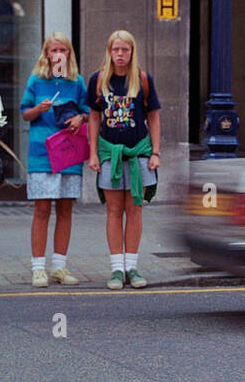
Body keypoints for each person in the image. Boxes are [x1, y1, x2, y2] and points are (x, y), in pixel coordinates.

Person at [87, 30, 160, 290]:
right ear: (109, 51)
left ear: (132, 52)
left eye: (125, 50)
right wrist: (93, 152)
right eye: (115, 49)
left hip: (138, 152)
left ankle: (132, 266)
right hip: (110, 153)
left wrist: (155, 152)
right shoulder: (98, 80)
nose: (120, 54)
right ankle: (117, 269)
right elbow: (94, 117)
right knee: (113, 211)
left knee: (135, 209)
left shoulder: (142, 79)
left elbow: (153, 116)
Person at [20, 32, 90, 287]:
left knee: (65, 209)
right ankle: (38, 267)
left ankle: (59, 266)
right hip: (41, 154)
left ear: (69, 53)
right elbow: (24, 113)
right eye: (53, 50)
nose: (58, 54)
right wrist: (38, 110)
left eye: (63, 50)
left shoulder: (77, 82)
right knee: (41, 209)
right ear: (46, 55)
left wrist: (80, 118)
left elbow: (88, 112)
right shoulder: (36, 80)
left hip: (69, 153)